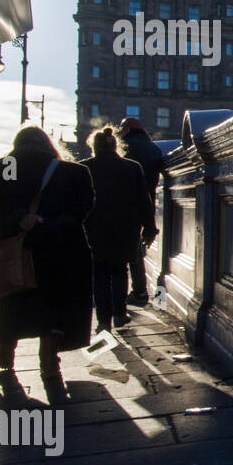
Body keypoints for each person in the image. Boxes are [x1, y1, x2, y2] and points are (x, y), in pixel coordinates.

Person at [0, 125, 94, 403]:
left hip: (13, 252)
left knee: (9, 304)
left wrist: (20, 218)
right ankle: (50, 367)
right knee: (53, 309)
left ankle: (5, 358)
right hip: (59, 252)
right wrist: (49, 223)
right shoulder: (72, 172)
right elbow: (82, 208)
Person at [82, 127, 157, 332]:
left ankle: (103, 321)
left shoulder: (84, 168)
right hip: (126, 228)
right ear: (116, 146)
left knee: (99, 274)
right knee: (119, 270)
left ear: (93, 146)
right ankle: (119, 314)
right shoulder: (132, 167)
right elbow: (144, 201)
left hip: (94, 229)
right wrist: (149, 229)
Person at [119, 117, 163, 305]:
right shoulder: (153, 148)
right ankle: (141, 291)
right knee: (136, 248)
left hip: (128, 203)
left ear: (127, 130)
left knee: (127, 251)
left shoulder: (127, 148)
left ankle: (138, 292)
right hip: (148, 202)